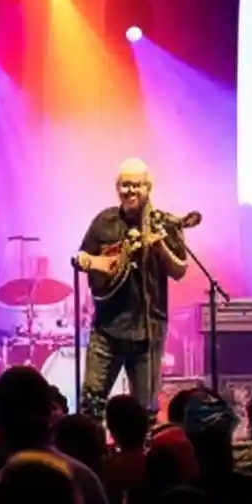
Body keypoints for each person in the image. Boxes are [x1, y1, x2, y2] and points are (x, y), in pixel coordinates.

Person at [75, 158, 187, 420]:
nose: (130, 191)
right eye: (125, 185)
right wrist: (96, 263)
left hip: (148, 330)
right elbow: (84, 256)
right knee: (91, 403)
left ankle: (140, 457)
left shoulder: (165, 223)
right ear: (117, 188)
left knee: (144, 412)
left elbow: (180, 270)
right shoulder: (104, 222)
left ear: (148, 188)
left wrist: (160, 248)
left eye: (136, 185)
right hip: (107, 326)